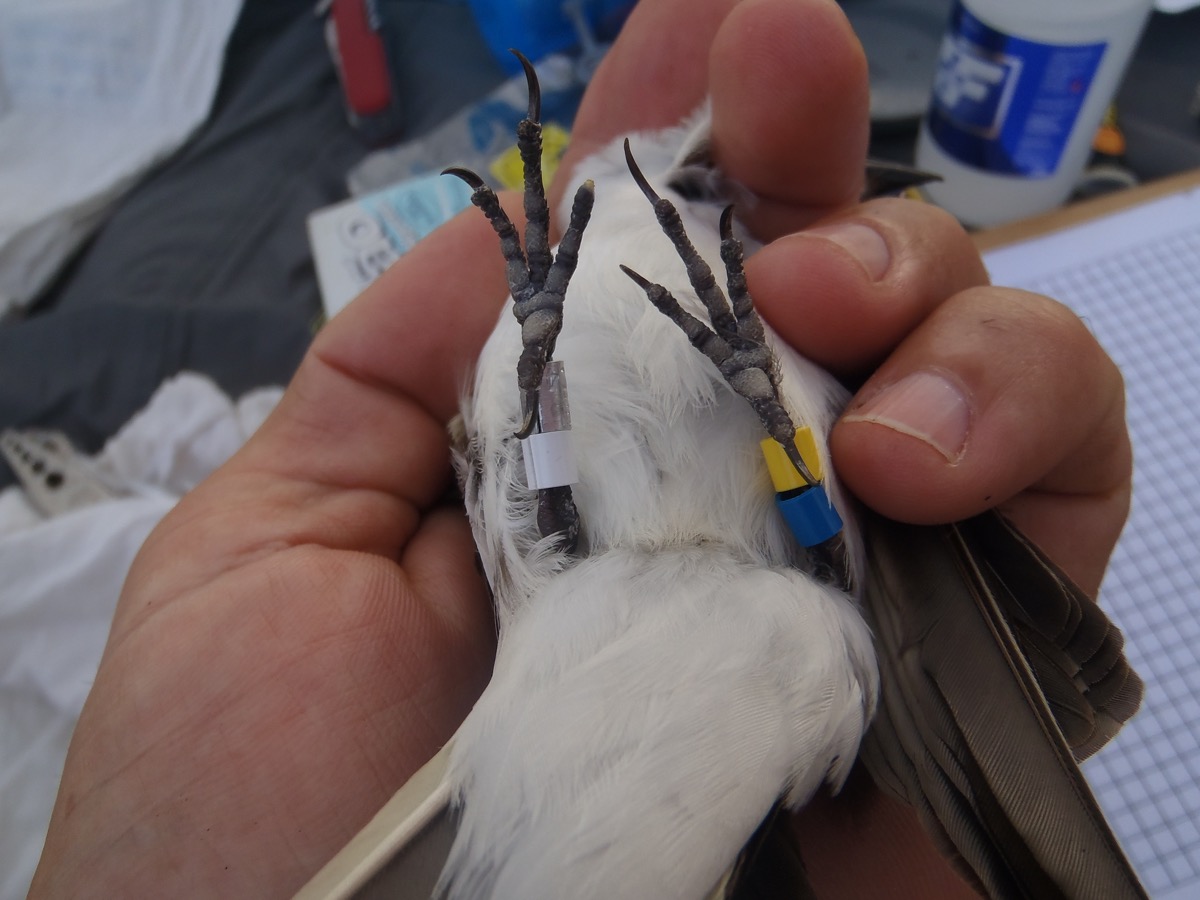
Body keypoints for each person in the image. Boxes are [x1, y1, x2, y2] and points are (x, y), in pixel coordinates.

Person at [28, 0, 1131, 896]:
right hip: (720, 619)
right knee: (585, 512)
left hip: (704, 623)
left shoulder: (617, 271)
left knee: (566, 516)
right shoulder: (663, 261)